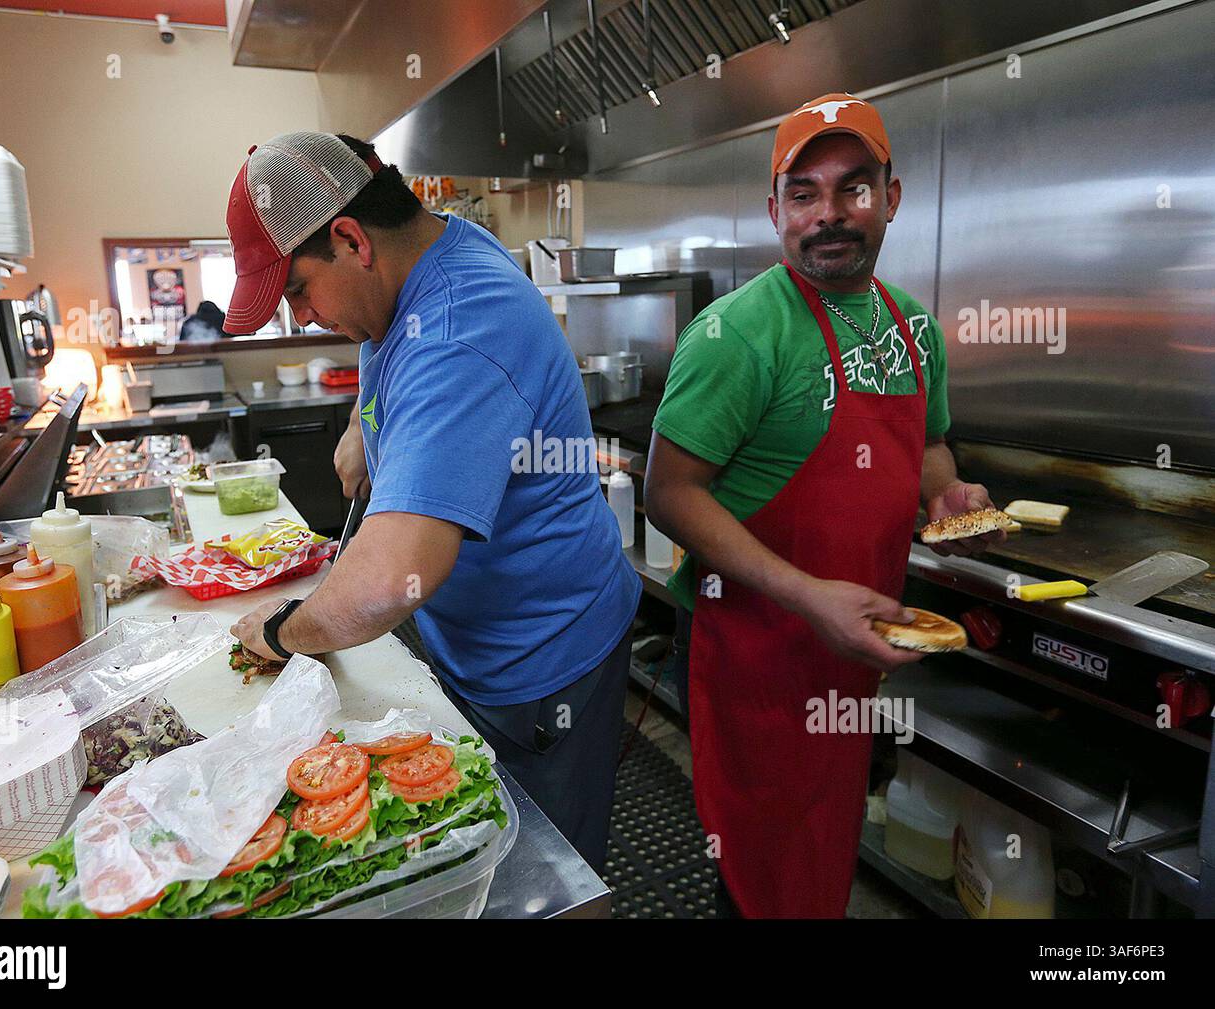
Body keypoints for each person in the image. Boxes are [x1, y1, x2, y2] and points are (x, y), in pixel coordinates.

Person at [225, 132, 641, 870]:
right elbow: (398, 337)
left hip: (543, 656)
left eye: (297, 291)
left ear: (350, 238)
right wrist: (366, 416)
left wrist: (285, 630)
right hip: (473, 635)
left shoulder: (460, 328)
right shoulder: (420, 255)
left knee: (549, 875)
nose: (302, 317)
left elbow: (390, 577)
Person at [644, 93, 1003, 917]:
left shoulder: (914, 330)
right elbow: (669, 493)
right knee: (761, 864)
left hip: (855, 642)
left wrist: (945, 494)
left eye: (854, 188)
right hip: (759, 654)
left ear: (893, 196)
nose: (830, 214)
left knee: (826, 841)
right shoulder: (737, 336)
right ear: (775, 209)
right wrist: (809, 597)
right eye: (804, 192)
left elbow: (931, 445)